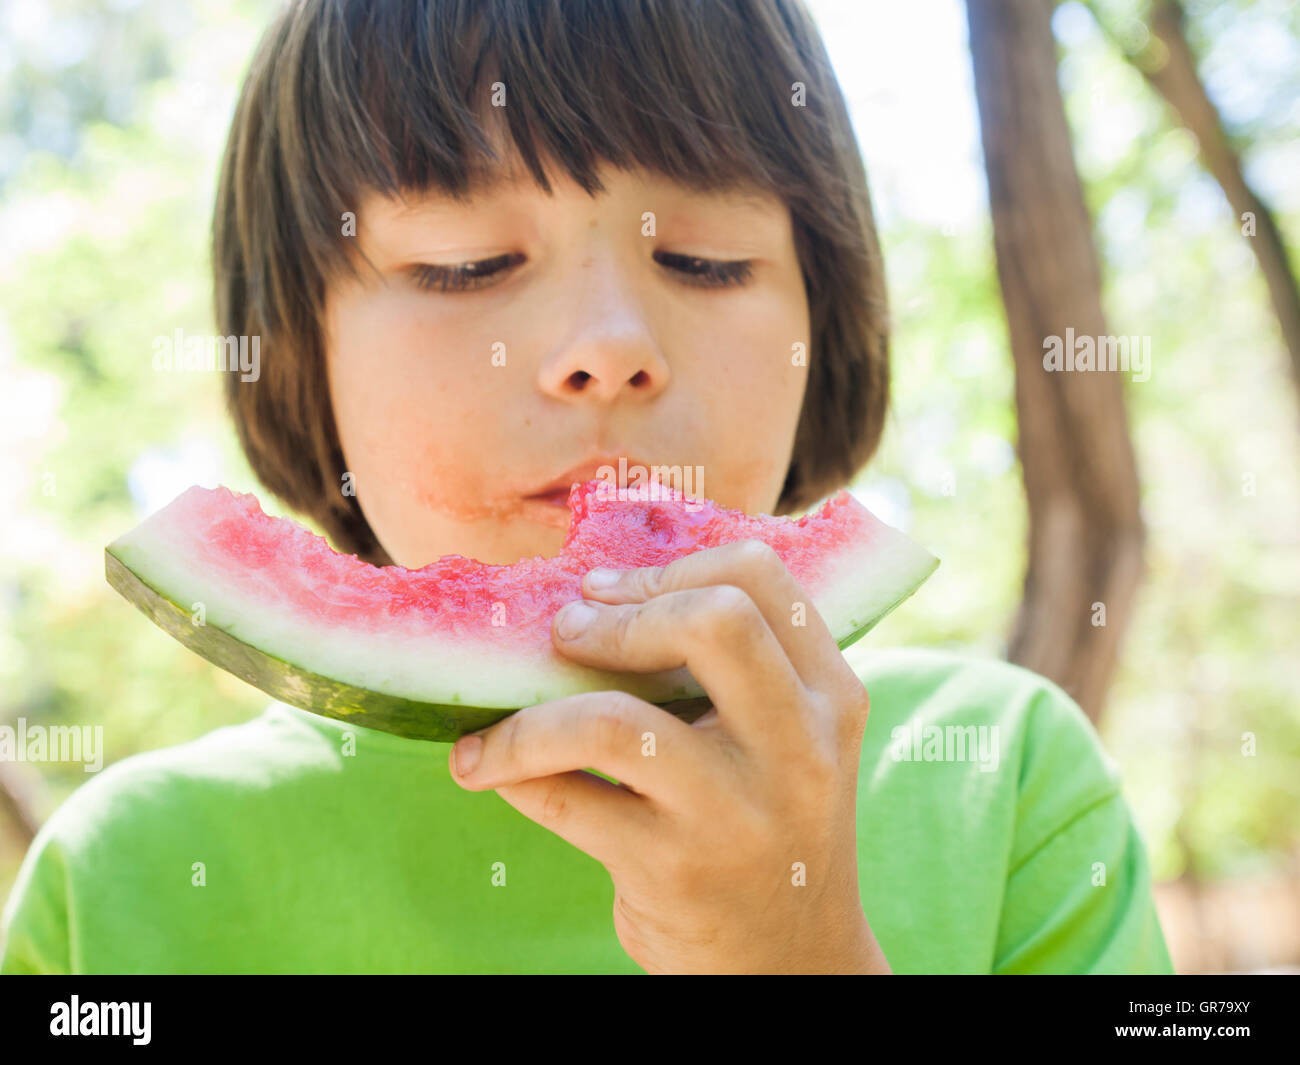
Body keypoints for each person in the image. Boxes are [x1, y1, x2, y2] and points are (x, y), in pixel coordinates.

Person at [1, 0, 1173, 974]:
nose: (607, 344)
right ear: (299, 357)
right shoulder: (120, 884)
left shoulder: (1001, 780)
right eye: (466, 264)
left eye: (704, 259)